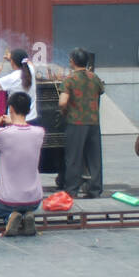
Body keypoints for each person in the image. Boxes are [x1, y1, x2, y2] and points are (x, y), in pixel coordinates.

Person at [0, 91, 45, 237]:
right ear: (29, 110)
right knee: (25, 205)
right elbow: (22, 132)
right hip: (34, 200)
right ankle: (26, 217)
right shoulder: (39, 132)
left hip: (8, 200)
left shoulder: (3, 134)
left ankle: (10, 217)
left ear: (11, 109)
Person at [58, 47, 105, 198]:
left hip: (76, 122)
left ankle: (72, 189)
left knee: (74, 157)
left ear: (72, 61)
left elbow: (62, 102)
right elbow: (100, 92)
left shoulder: (69, 79)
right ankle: (95, 189)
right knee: (94, 157)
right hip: (93, 122)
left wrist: (64, 111)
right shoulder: (95, 77)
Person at [0, 47, 40, 125]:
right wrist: (12, 58)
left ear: (12, 62)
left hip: (15, 121)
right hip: (32, 119)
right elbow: (28, 62)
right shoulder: (31, 70)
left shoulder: (12, 78)